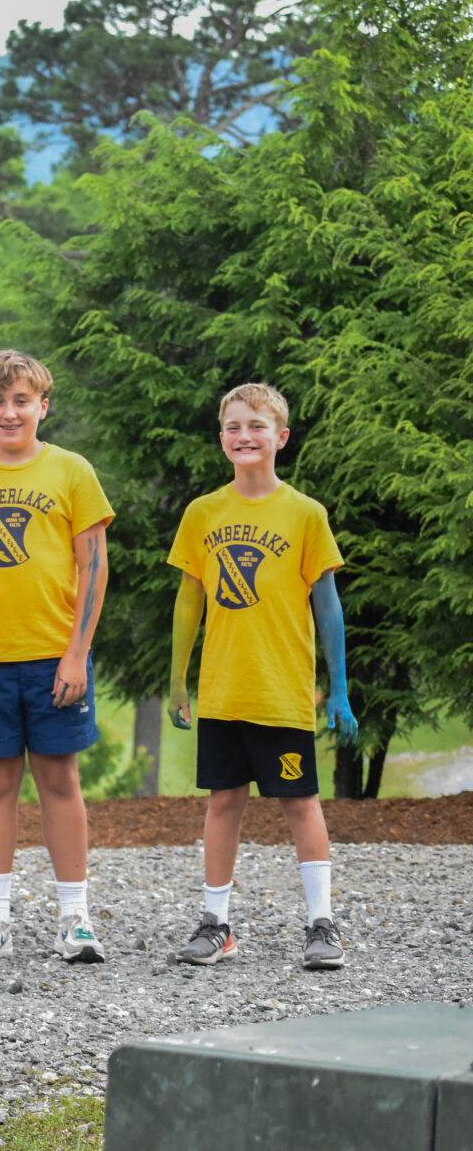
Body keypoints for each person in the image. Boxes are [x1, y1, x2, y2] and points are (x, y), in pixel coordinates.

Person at [0, 349, 111, 965]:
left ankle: (75, 920)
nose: (10, 412)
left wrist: (76, 655)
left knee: (60, 781)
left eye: (22, 401)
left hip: (56, 656)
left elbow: (94, 565)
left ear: (43, 406)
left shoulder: (73, 472)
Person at [167, 383, 355, 970]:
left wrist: (341, 689)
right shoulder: (203, 513)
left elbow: (328, 607)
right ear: (221, 437)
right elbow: (188, 603)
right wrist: (178, 681)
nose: (244, 436)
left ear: (281, 437)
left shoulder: (304, 514)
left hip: (282, 691)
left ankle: (321, 924)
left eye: (256, 426)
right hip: (223, 690)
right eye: (233, 427)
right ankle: (217, 923)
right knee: (224, 801)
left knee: (300, 802)